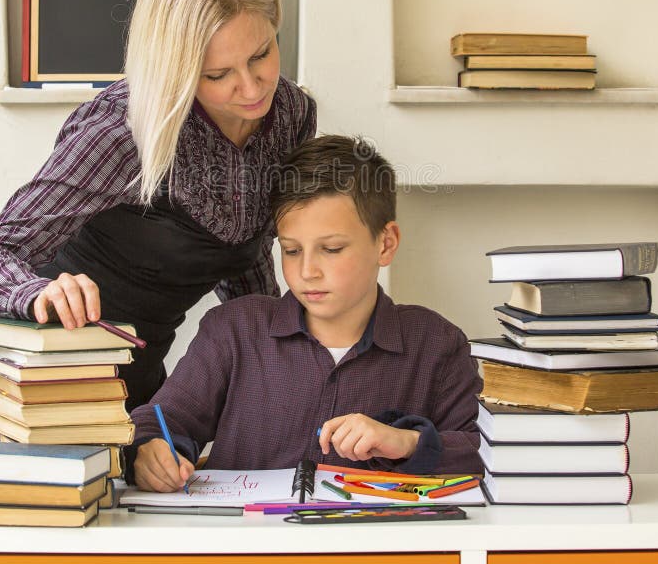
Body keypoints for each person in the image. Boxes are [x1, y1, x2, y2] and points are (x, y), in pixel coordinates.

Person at [0, 0, 316, 478]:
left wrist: (281, 352)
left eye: (261, 54)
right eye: (217, 75)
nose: (250, 86)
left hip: (131, 371)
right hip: (28, 373)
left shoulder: (291, 117)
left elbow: (244, 259)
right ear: (177, 68)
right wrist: (39, 294)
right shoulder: (125, 128)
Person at [129, 135, 482, 491]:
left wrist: (407, 442)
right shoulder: (233, 331)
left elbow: (480, 455)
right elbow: (161, 421)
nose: (307, 271)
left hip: (373, 545)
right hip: (246, 543)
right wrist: (150, 451)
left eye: (331, 249)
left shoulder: (437, 344)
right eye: (292, 250)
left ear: (385, 243)